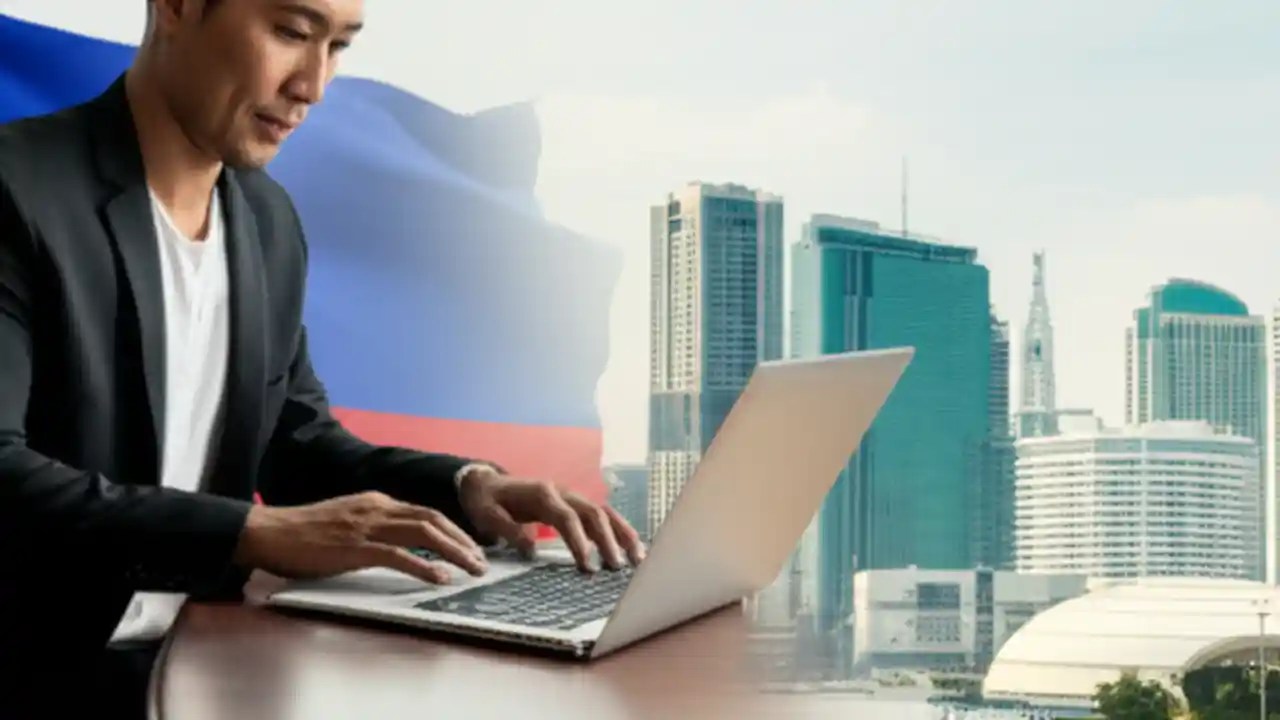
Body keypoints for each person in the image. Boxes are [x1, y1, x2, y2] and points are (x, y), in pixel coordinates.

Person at [0, 0, 644, 716]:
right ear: (176, 8)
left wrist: (465, 487)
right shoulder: (16, 188)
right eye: (291, 33)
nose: (312, 85)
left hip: (204, 673)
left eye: (337, 47)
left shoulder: (267, 220)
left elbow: (296, 447)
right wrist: (251, 532)